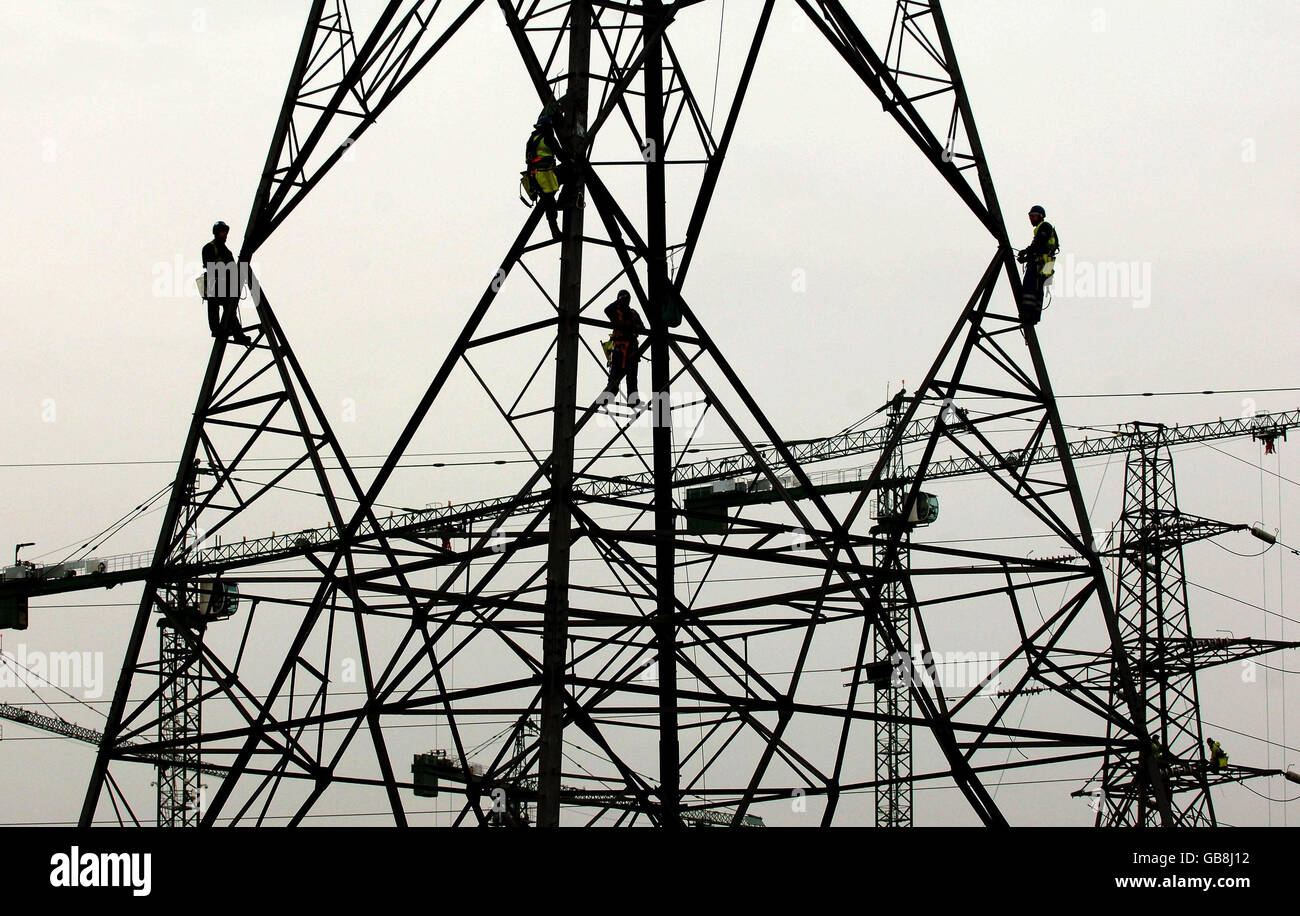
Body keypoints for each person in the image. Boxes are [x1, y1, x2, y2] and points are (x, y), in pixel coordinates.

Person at [202, 221, 251, 345]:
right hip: (215, 283)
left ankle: (238, 335)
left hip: (225, 284)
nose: (225, 234)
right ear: (217, 232)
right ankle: (217, 330)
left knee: (230, 311)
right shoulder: (209, 247)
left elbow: (233, 268)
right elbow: (210, 266)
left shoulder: (226, 251)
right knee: (214, 307)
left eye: (225, 232)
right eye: (223, 232)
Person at [600, 290, 645, 409]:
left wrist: (634, 327)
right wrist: (618, 301)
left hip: (631, 349)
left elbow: (643, 328)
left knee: (631, 376)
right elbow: (607, 310)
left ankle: (632, 399)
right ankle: (609, 394)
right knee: (615, 374)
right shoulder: (615, 311)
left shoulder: (633, 313)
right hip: (620, 348)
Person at [1016, 204, 1058, 324]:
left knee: (1030, 286)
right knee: (1038, 289)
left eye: (1033, 216)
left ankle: (1028, 313)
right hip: (1047, 263)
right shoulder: (1043, 228)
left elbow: (1039, 244)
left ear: (1040, 216)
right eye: (1030, 216)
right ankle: (1034, 316)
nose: (1031, 219)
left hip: (1040, 262)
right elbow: (1041, 246)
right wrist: (1026, 256)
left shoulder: (1044, 226)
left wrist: (1027, 251)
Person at [525, 113, 565, 240]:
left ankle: (555, 228)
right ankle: (555, 228)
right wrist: (572, 158)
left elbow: (529, 161)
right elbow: (560, 155)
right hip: (546, 175)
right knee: (571, 174)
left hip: (534, 176)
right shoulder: (548, 138)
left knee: (549, 202)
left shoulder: (531, 140)